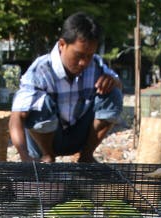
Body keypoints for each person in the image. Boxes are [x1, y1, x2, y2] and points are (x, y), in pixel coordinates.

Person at [9, 12, 123, 163]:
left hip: (77, 137)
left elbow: (118, 86)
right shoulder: (40, 70)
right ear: (62, 45)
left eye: (89, 56)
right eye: (79, 55)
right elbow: (16, 117)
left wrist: (113, 81)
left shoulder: (95, 64)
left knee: (113, 93)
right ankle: (47, 157)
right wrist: (25, 158)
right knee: (39, 104)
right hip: (45, 142)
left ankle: (86, 156)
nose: (84, 62)